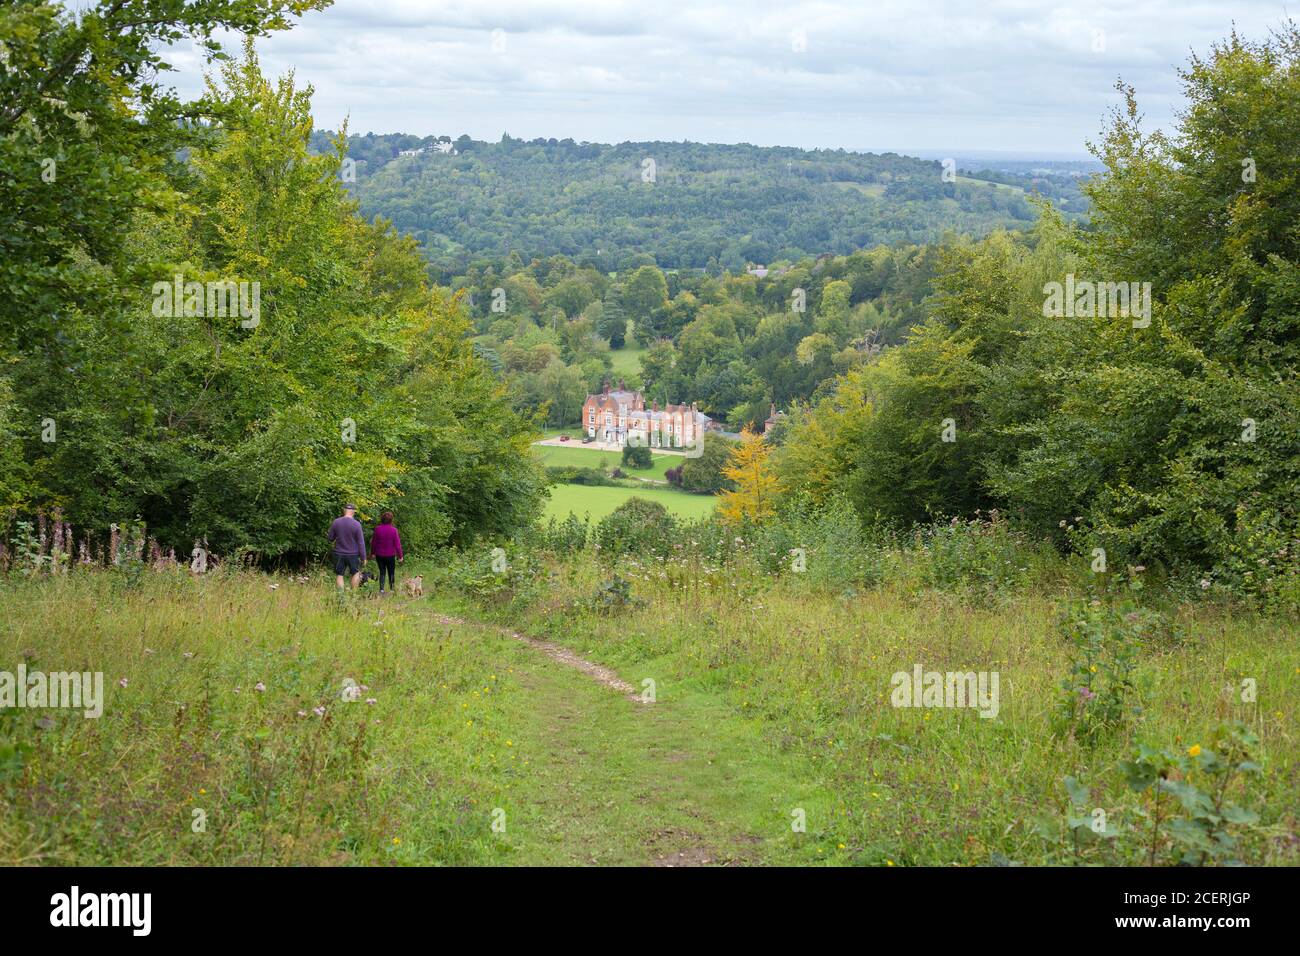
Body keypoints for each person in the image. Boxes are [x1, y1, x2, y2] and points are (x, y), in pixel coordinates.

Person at [327, 503, 366, 590]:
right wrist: (363, 557)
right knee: (355, 573)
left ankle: (341, 596)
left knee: (340, 574)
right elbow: (361, 542)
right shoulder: (357, 524)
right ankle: (353, 594)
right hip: (353, 554)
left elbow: (330, 538)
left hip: (339, 553)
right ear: (353, 512)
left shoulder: (336, 522)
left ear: (344, 510)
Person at [369, 511, 404, 595]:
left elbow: (374, 542)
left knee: (382, 572)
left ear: (382, 519)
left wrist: (372, 553)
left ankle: (381, 589)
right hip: (390, 555)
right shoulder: (394, 530)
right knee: (391, 571)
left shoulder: (377, 529)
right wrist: (400, 556)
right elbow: (397, 544)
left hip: (379, 555)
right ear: (391, 520)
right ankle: (392, 589)